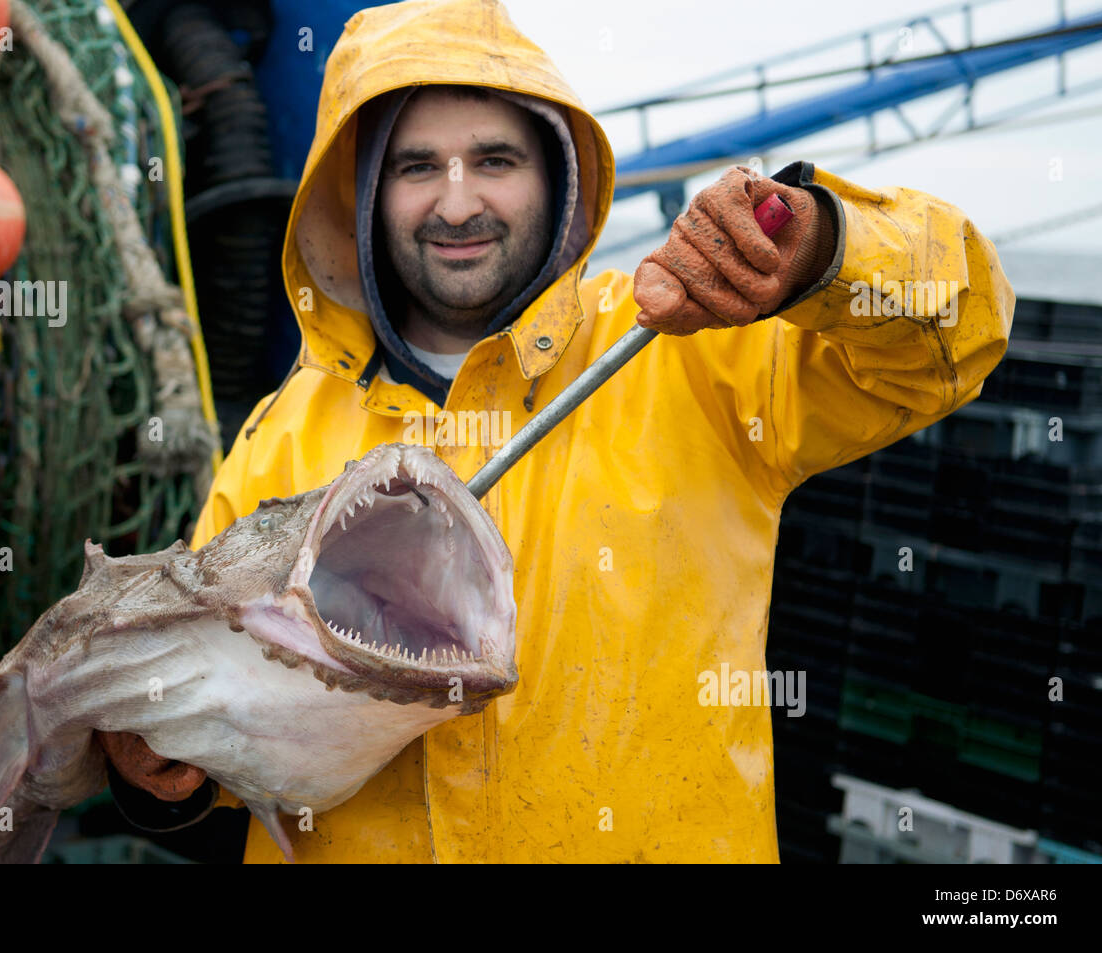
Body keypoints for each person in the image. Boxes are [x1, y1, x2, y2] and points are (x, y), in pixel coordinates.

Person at [97, 0, 1014, 862]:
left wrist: (822, 247)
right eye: (417, 167)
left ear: (559, 177)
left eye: (495, 159)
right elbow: (225, 728)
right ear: (363, 195)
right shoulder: (277, 436)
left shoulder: (690, 352)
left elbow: (954, 332)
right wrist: (167, 774)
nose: (457, 205)